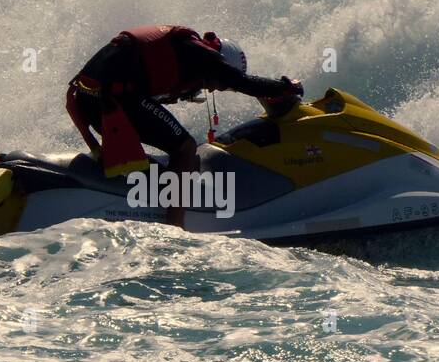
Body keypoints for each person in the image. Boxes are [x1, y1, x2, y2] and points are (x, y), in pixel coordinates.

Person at [66, 25, 302, 225]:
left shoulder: (185, 51)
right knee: (186, 148)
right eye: (221, 85)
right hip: (115, 98)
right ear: (223, 63)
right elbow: (245, 83)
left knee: (170, 154)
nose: (213, 89)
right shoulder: (205, 56)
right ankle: (175, 227)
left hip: (90, 99)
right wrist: (284, 87)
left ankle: (132, 200)